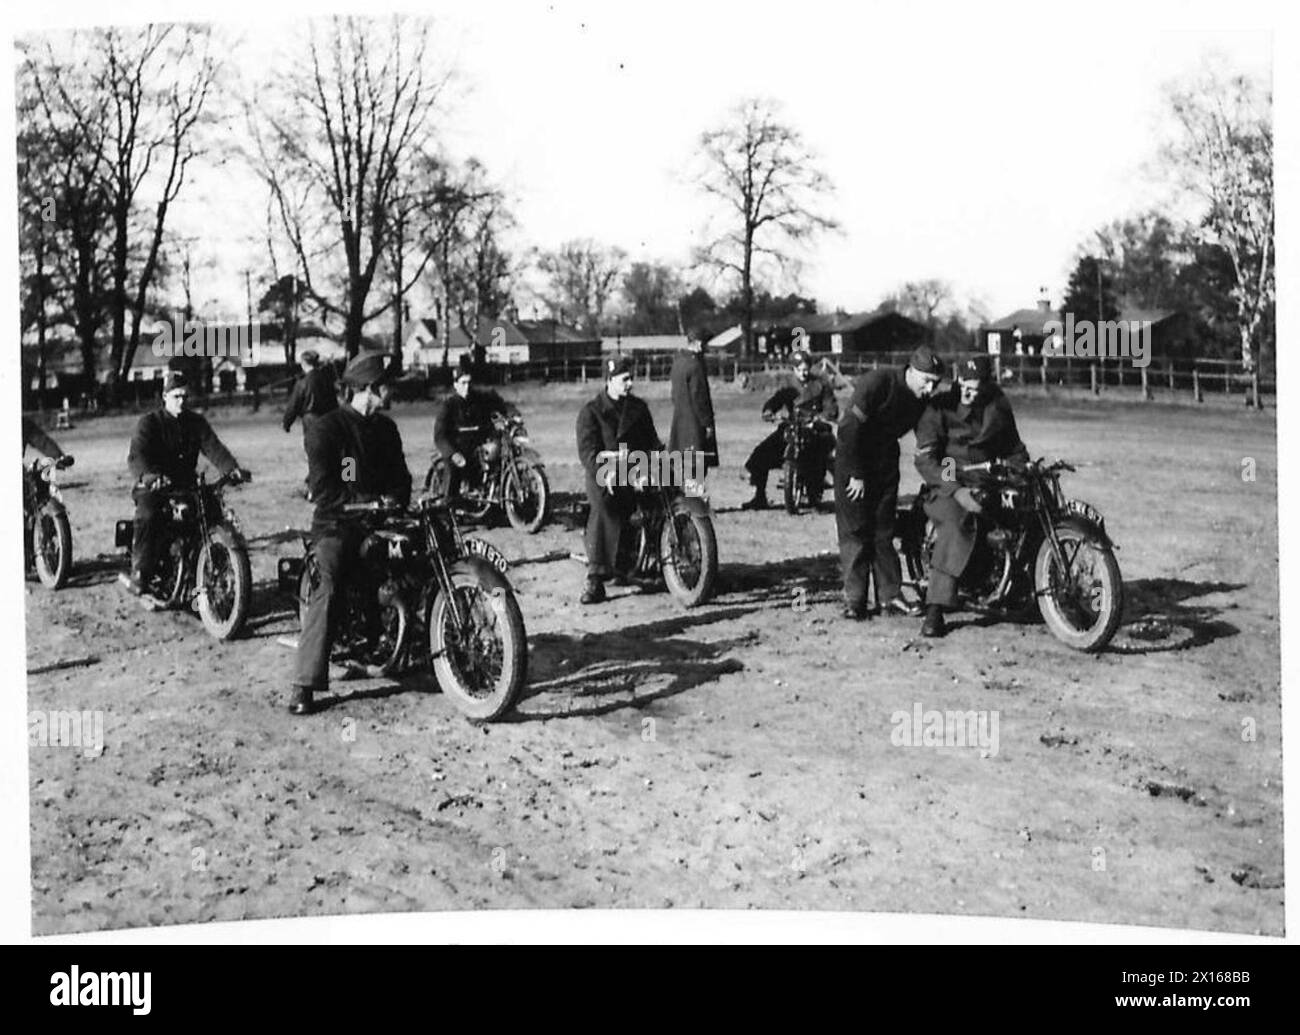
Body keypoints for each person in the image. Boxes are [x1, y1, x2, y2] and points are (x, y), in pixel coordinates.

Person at [290, 353, 412, 715]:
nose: (392, 391)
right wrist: (361, 501)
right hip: (337, 524)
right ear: (370, 389)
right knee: (326, 583)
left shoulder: (386, 429)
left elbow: (400, 477)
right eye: (387, 385)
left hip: (380, 520)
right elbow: (327, 486)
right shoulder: (329, 429)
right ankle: (304, 682)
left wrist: (395, 499)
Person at [914, 353, 1029, 638]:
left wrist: (1024, 469)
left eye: (977, 388)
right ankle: (936, 607)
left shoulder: (998, 405)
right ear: (957, 380)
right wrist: (957, 490)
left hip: (989, 479)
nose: (970, 393)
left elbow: (1013, 446)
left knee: (1028, 511)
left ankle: (1023, 586)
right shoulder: (939, 407)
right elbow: (926, 459)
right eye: (965, 385)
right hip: (947, 482)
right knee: (956, 522)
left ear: (987, 385)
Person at [834, 345, 945, 621]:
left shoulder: (921, 399)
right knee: (856, 532)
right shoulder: (877, 383)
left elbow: (927, 437)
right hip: (854, 461)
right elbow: (849, 429)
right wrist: (856, 474)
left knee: (883, 532)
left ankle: (890, 596)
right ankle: (855, 600)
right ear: (911, 371)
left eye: (935, 384)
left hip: (884, 465)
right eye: (927, 382)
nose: (930, 390)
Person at [121, 372, 249, 598]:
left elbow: (214, 448)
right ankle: (140, 572)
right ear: (164, 397)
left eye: (185, 396)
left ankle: (207, 568)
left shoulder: (196, 423)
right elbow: (137, 456)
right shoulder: (149, 423)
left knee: (213, 513)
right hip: (154, 485)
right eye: (176, 396)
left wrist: (232, 469)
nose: (181, 401)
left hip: (186, 485)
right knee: (149, 515)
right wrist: (150, 476)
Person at [575, 356, 662, 605]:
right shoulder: (591, 412)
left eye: (631, 378)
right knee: (604, 508)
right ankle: (596, 576)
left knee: (665, 496)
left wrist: (659, 460)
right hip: (605, 475)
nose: (630, 383)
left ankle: (660, 559)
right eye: (625, 379)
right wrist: (608, 472)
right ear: (609, 380)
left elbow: (652, 442)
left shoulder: (639, 408)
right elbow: (588, 453)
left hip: (636, 471)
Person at [741, 351, 838, 510]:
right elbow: (776, 400)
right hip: (792, 427)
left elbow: (831, 407)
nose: (803, 373)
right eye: (799, 369)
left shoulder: (820, 385)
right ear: (793, 369)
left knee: (820, 455)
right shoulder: (788, 386)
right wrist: (769, 411)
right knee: (761, 454)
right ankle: (759, 496)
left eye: (806, 369)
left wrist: (823, 417)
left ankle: (815, 493)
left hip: (814, 429)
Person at [433, 354, 517, 502]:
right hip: (458, 448)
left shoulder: (479, 399)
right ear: (456, 385)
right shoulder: (448, 406)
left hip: (477, 447)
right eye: (463, 383)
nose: (466, 387)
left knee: (499, 457)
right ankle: (448, 505)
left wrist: (512, 415)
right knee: (454, 469)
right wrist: (452, 453)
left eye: (469, 383)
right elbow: (439, 436)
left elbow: (499, 404)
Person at [667, 329, 718, 491]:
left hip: (680, 421)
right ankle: (694, 499)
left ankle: (689, 495)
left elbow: (674, 395)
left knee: (685, 465)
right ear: (698, 343)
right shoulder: (696, 366)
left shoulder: (678, 362)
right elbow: (700, 398)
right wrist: (707, 423)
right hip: (695, 424)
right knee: (697, 466)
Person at [282, 350, 339, 436]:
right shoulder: (327, 379)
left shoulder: (302, 383)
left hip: (311, 421)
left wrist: (286, 423)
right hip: (328, 420)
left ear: (304, 363)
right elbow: (334, 402)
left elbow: (294, 405)